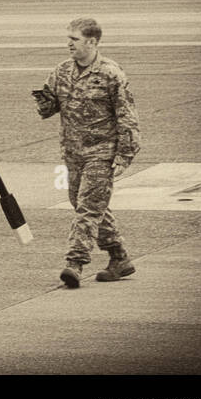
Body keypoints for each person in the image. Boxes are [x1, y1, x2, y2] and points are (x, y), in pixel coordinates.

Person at [33, 17, 140, 288]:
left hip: (102, 152)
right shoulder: (62, 71)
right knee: (83, 203)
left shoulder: (110, 73)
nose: (68, 43)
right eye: (68, 38)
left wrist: (124, 154)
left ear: (92, 42)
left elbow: (126, 115)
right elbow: (48, 109)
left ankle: (75, 262)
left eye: (74, 39)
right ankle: (119, 257)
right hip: (73, 152)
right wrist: (43, 101)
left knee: (88, 209)